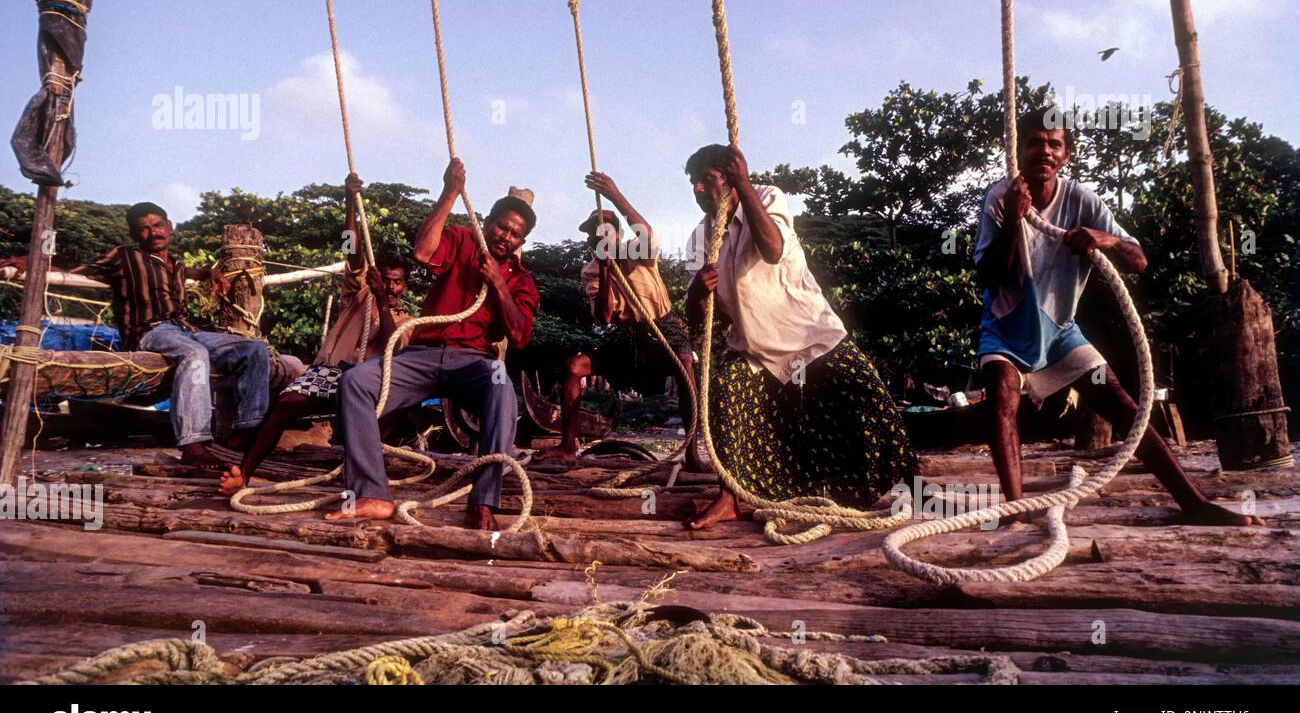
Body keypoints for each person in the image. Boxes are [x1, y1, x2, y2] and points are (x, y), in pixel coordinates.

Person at [975, 106, 1265, 527]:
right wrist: (1011, 221)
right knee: (1002, 397)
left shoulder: (1082, 199)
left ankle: (1194, 503)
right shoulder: (999, 197)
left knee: (1124, 405)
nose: (1045, 151)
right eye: (1035, 142)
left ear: (1066, 155)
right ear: (1018, 150)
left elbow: (1139, 261)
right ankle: (1014, 512)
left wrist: (1105, 239)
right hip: (1006, 328)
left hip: (1058, 332)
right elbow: (989, 275)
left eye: (1054, 144)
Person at [681, 143, 916, 530]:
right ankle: (730, 497)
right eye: (694, 183)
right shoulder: (697, 239)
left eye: (707, 179)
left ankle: (908, 483)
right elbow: (699, 320)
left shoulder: (768, 197)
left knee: (866, 395)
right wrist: (695, 294)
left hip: (809, 332)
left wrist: (745, 185)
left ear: (732, 179)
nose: (698, 189)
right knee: (724, 391)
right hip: (753, 347)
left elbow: (773, 250)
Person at [325, 158, 540, 530]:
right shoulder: (462, 239)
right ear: (487, 222)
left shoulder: (521, 281)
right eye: (501, 227)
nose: (506, 236)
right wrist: (450, 192)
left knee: (501, 384)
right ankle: (372, 494)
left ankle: (482, 502)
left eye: (515, 234)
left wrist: (498, 283)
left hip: (473, 362)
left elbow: (520, 337)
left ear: (522, 242)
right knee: (355, 381)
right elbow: (423, 253)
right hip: (423, 354)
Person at [219, 174, 411, 495]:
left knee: (382, 419)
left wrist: (381, 297)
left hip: (368, 382)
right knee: (285, 404)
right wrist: (350, 202)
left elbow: (394, 345)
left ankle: (365, 487)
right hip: (330, 373)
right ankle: (245, 474)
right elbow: (350, 247)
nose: (391, 287)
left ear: (404, 287)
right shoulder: (359, 292)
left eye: (397, 282)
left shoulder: (406, 320)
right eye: (387, 280)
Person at [75, 201, 269, 470]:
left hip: (186, 329)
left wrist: (209, 273)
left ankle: (246, 430)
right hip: (149, 331)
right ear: (134, 234)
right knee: (194, 355)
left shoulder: (175, 263)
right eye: (143, 229)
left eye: (157, 225)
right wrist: (33, 264)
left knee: (253, 349)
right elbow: (80, 270)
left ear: (169, 227)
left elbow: (185, 272)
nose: (152, 233)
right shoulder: (124, 257)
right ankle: (193, 445)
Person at [543, 171, 702, 469]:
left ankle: (692, 454)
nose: (597, 237)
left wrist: (615, 195)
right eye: (593, 234)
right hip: (628, 336)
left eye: (604, 231)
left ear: (618, 233)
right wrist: (606, 271)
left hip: (663, 327)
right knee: (575, 366)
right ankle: (567, 445)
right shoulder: (591, 270)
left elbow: (648, 235)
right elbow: (604, 317)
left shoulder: (636, 251)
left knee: (685, 367)